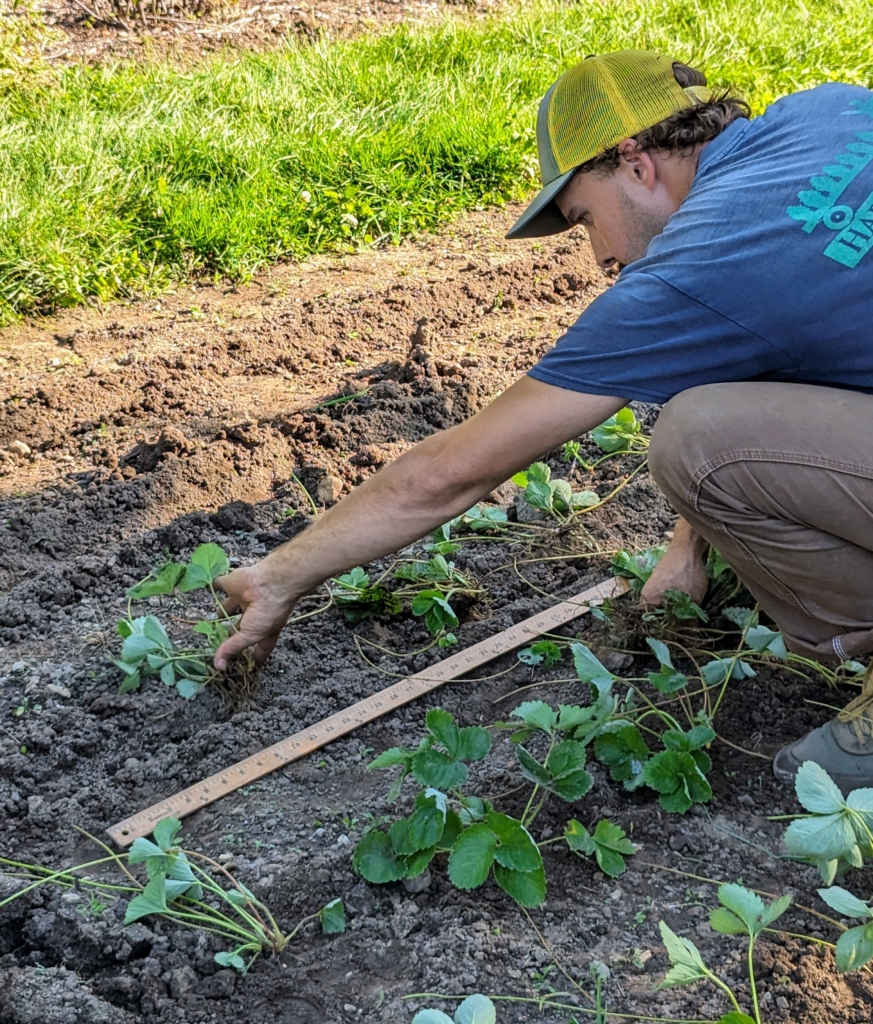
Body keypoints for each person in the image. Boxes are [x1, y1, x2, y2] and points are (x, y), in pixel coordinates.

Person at [214, 50, 873, 792]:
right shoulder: (827, 109)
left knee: (697, 440)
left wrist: (279, 577)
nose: (599, 256)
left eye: (585, 219)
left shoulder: (694, 272)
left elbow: (449, 473)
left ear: (635, 163)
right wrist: (688, 544)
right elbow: (776, 335)